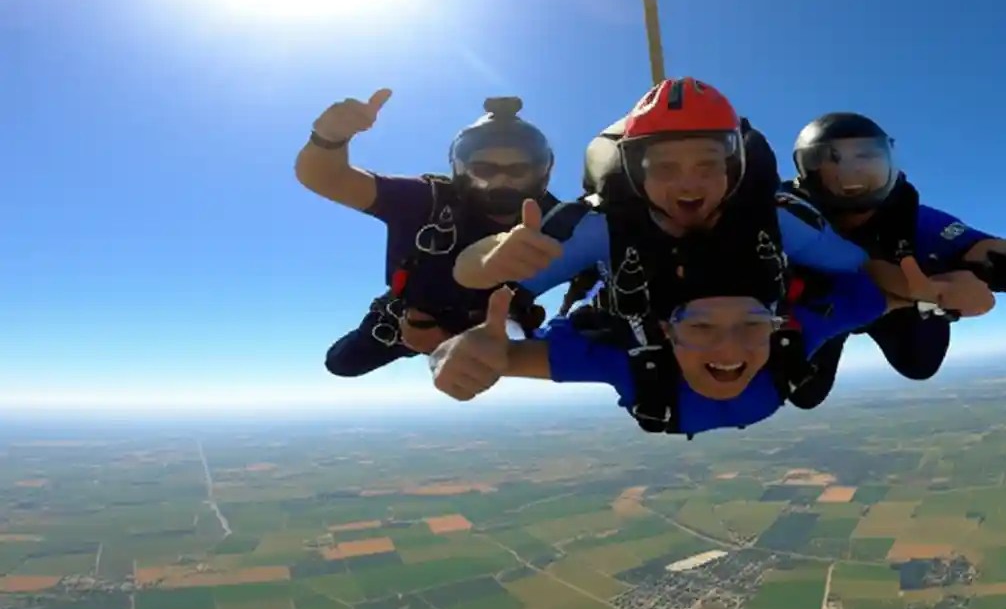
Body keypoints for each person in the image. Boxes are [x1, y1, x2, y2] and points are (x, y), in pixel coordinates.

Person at [784, 112, 1006, 404]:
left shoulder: (912, 219)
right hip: (824, 307)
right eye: (835, 161)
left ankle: (858, 318)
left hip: (909, 302)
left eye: (867, 159)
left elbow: (994, 250)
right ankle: (835, 330)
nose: (853, 174)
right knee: (804, 393)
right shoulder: (785, 219)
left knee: (920, 364)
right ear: (810, 172)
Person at [451, 78, 888, 321]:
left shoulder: (778, 220)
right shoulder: (599, 225)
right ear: (635, 173)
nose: (687, 185)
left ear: (734, 168)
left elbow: (859, 267)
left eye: (707, 164)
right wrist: (483, 261)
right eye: (664, 167)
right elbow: (493, 288)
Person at [430, 249, 910, 438]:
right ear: (666, 332)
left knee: (820, 357)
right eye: (700, 328)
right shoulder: (626, 357)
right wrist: (455, 355)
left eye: (749, 325)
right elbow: (496, 356)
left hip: (802, 337)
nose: (727, 351)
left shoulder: (797, 332)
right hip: (786, 350)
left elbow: (882, 294)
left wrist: (941, 294)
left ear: (776, 322)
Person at [295, 90, 559, 377]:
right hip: (412, 319)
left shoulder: (559, 220)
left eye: (518, 170)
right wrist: (328, 139)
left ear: (540, 172)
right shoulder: (427, 200)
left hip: (491, 324)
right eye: (484, 169)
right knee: (342, 363)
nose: (501, 181)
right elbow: (326, 178)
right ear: (462, 170)